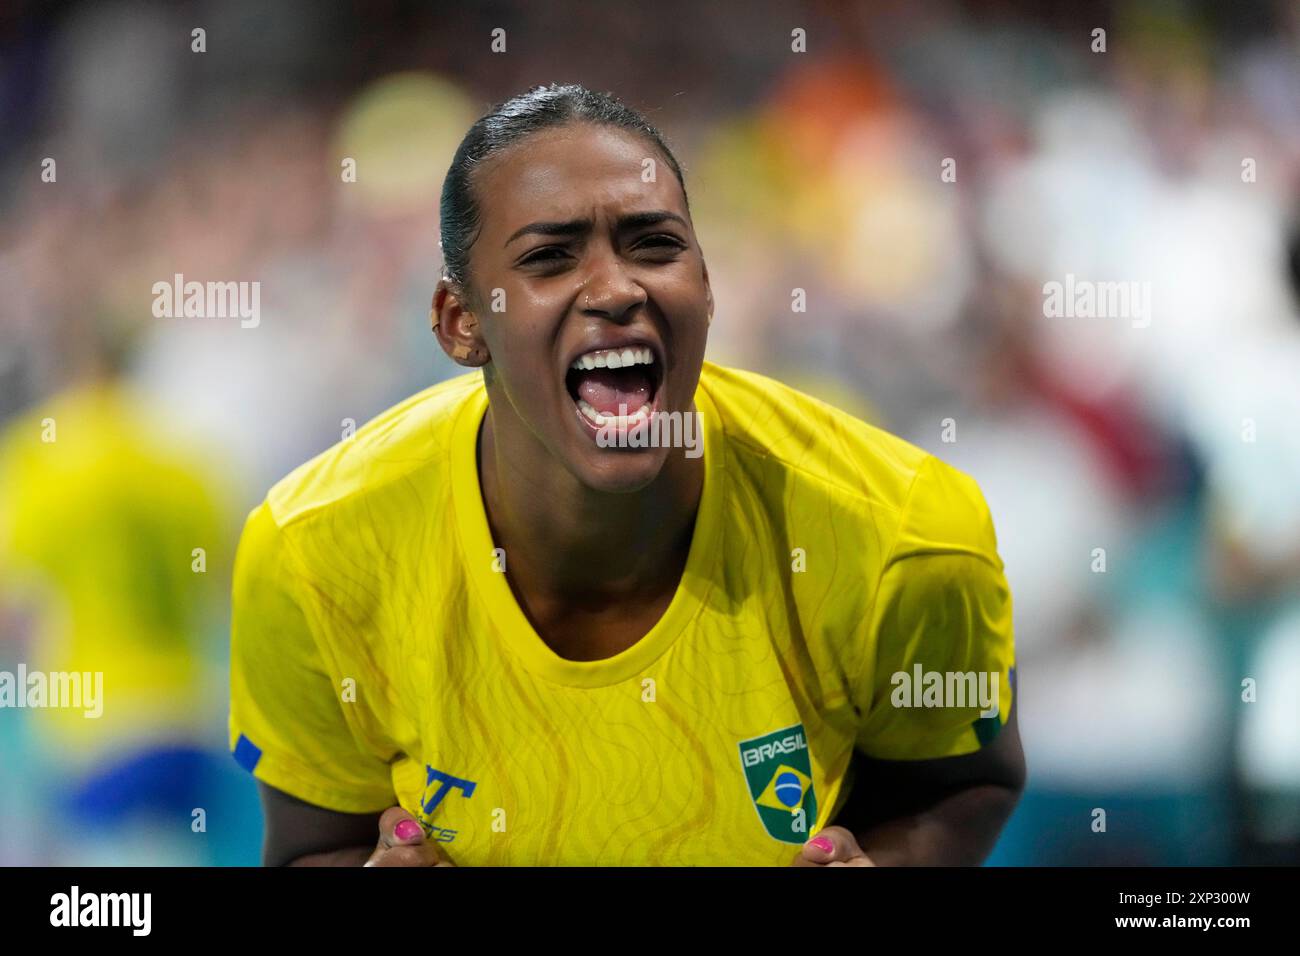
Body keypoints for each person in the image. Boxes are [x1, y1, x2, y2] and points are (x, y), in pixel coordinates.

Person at [229, 83, 1024, 867]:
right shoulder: (315, 553)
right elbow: (314, 845)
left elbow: (961, 785)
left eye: (655, 244)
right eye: (549, 256)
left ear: (706, 288)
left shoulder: (901, 535)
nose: (617, 289)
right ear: (460, 322)